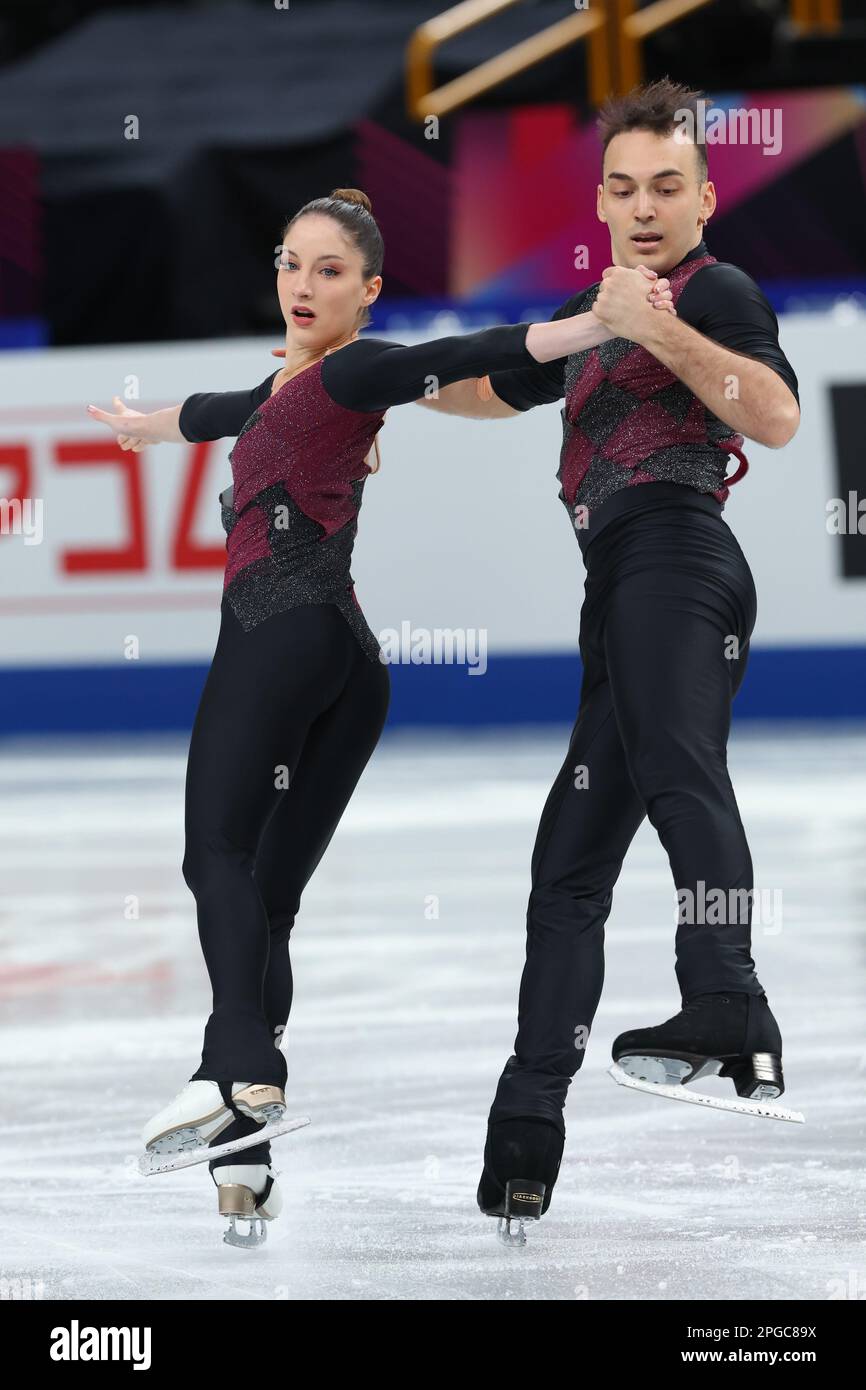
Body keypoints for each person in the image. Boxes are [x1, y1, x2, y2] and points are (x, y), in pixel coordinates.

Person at [87, 187, 676, 1239]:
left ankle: (238, 1064)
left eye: (328, 271)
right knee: (264, 902)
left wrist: (598, 320)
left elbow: (465, 349)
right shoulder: (281, 387)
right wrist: (146, 425)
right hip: (348, 666)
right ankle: (246, 1152)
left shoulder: (358, 367)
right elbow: (219, 410)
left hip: (285, 637)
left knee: (211, 856)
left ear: (364, 293)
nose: (302, 285)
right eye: (290, 262)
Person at [417, 79, 801, 1235]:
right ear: (598, 197)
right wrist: (380, 385)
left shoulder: (712, 290)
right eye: (623, 188)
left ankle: (727, 999)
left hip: (679, 565)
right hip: (618, 597)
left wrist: (659, 325)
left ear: (702, 196)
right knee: (566, 872)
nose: (643, 207)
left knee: (681, 768)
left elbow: (772, 416)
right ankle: (525, 1133)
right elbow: (494, 385)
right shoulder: (598, 310)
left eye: (666, 188)